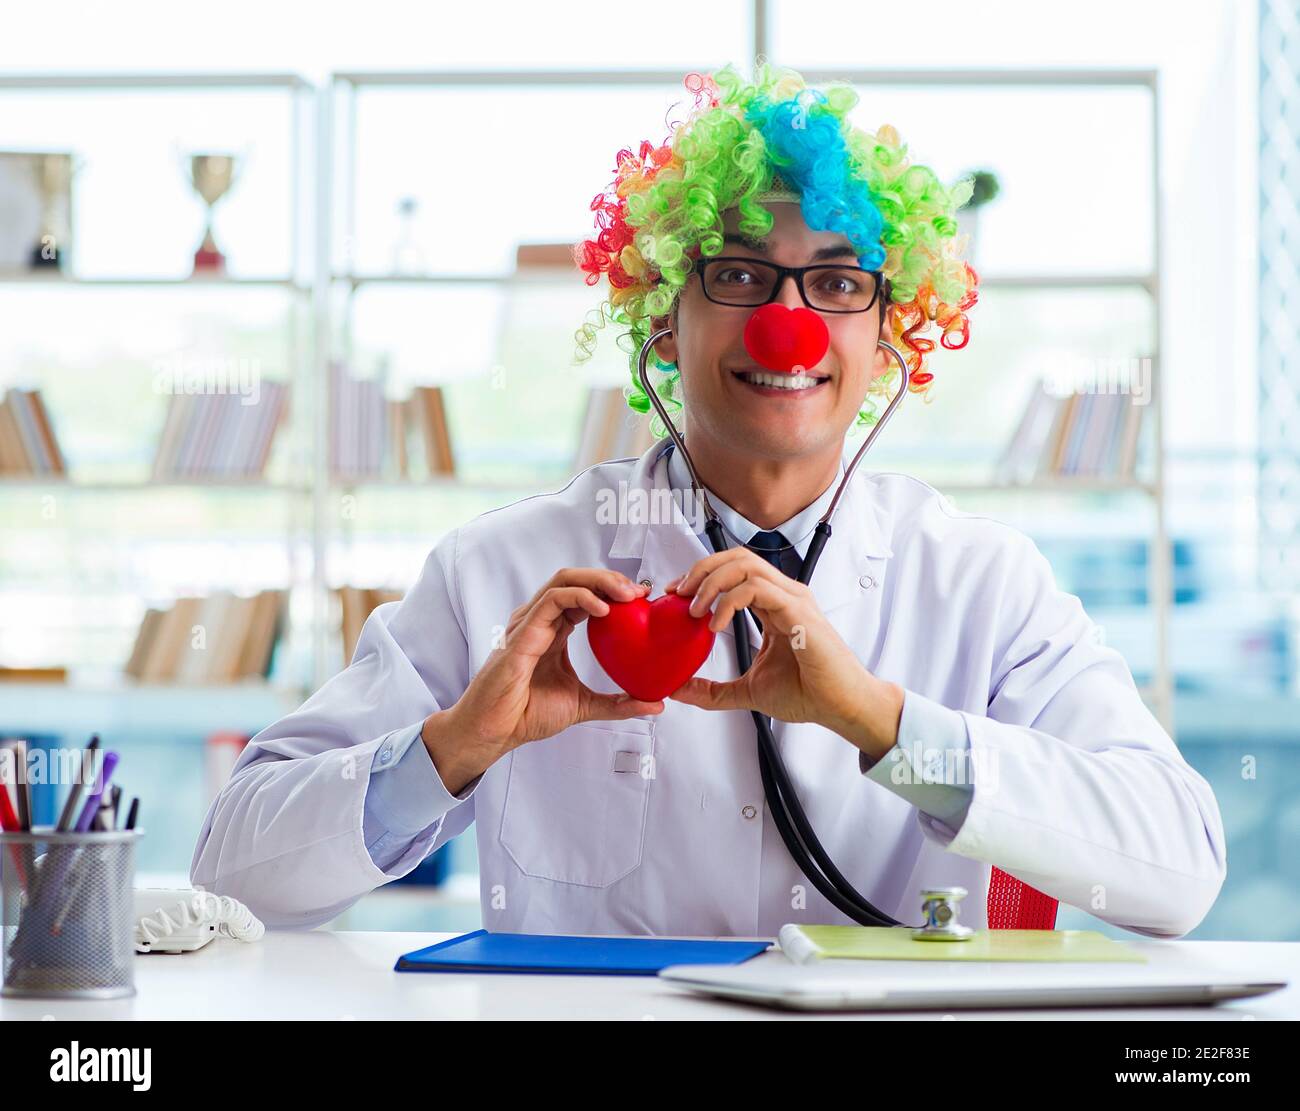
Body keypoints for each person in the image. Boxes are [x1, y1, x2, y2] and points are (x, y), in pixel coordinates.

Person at [192, 63, 1225, 938]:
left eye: (834, 283)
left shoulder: (980, 584)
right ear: (660, 318)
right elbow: (233, 870)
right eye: (738, 273)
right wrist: (456, 745)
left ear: (888, 336)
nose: (788, 326)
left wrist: (881, 721)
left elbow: (1177, 872)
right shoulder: (498, 572)